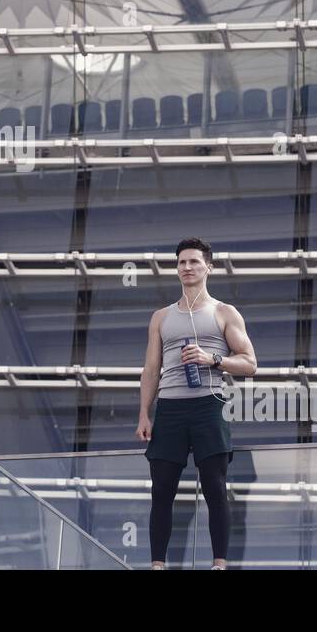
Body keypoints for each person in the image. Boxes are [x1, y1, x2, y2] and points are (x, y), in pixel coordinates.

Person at [136, 236, 257, 569]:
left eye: (193, 262)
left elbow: (250, 363)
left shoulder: (223, 312)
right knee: (161, 492)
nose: (187, 267)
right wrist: (144, 414)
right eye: (181, 262)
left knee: (216, 488)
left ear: (209, 267)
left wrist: (213, 358)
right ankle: (157, 565)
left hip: (208, 405)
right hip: (170, 409)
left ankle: (219, 564)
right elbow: (150, 369)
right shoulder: (160, 317)